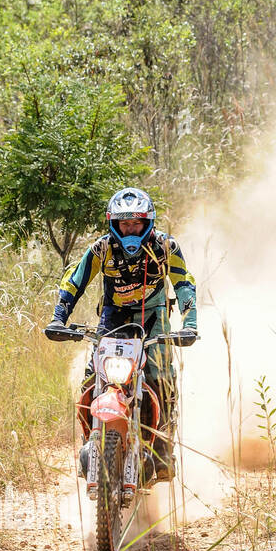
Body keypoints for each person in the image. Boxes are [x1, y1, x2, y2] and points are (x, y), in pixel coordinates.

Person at [44, 187, 197, 481]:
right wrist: (58, 318)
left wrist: (189, 324)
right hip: (113, 316)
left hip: (153, 316)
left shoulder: (166, 247)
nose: (130, 230)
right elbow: (74, 283)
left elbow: (183, 284)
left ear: (148, 222)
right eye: (124, 224)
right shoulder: (101, 249)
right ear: (113, 224)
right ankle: (90, 442)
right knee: (92, 377)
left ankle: (163, 451)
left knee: (161, 376)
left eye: (136, 223)